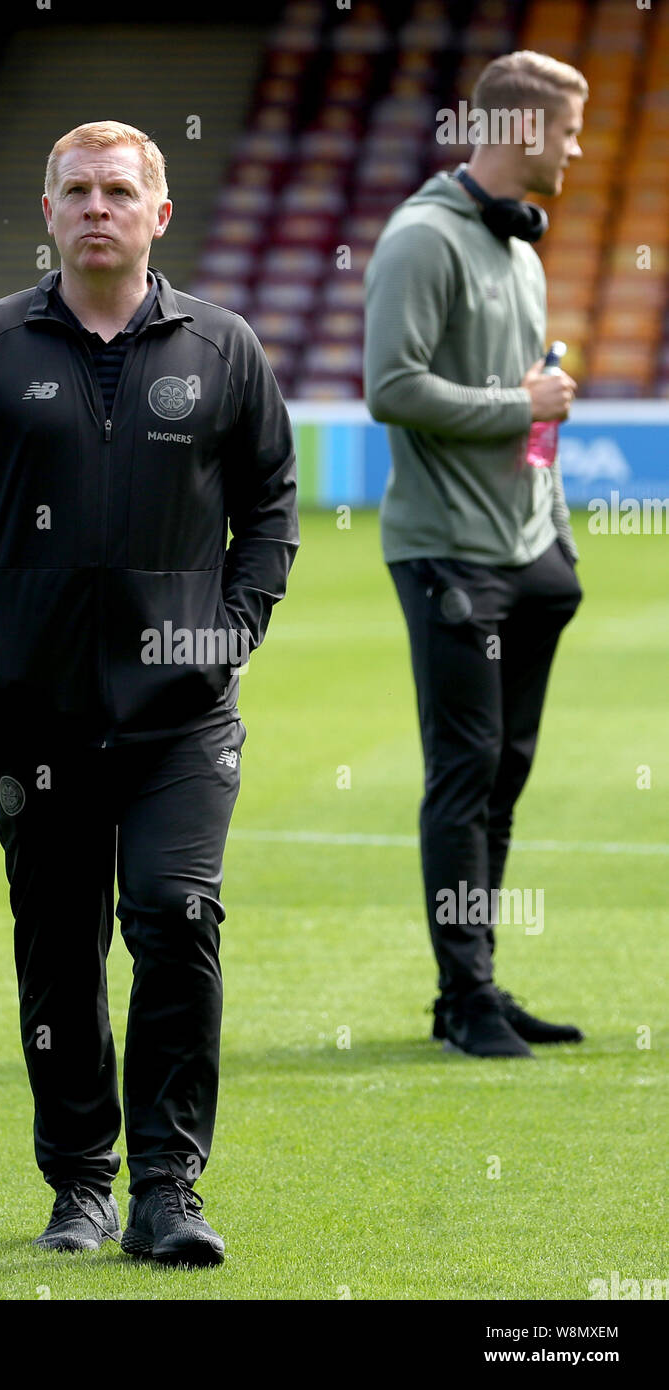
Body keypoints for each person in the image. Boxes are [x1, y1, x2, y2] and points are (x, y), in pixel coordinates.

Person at [0, 121, 298, 1264]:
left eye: (121, 189)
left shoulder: (222, 347)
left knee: (172, 917)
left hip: (181, 715)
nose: (97, 206)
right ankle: (80, 1185)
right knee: (57, 945)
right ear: (49, 212)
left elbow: (269, 506)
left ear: (159, 214)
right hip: (37, 714)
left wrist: (231, 631)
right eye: (77, 189)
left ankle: (169, 1187)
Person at [364, 52, 588, 1058]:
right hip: (448, 557)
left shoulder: (522, 252)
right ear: (520, 130)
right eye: (566, 128)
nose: (577, 147)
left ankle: (482, 981)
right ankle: (461, 1000)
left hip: (527, 552)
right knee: (463, 774)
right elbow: (389, 387)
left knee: (505, 771)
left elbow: (526, 408)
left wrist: (556, 532)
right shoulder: (419, 239)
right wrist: (518, 404)